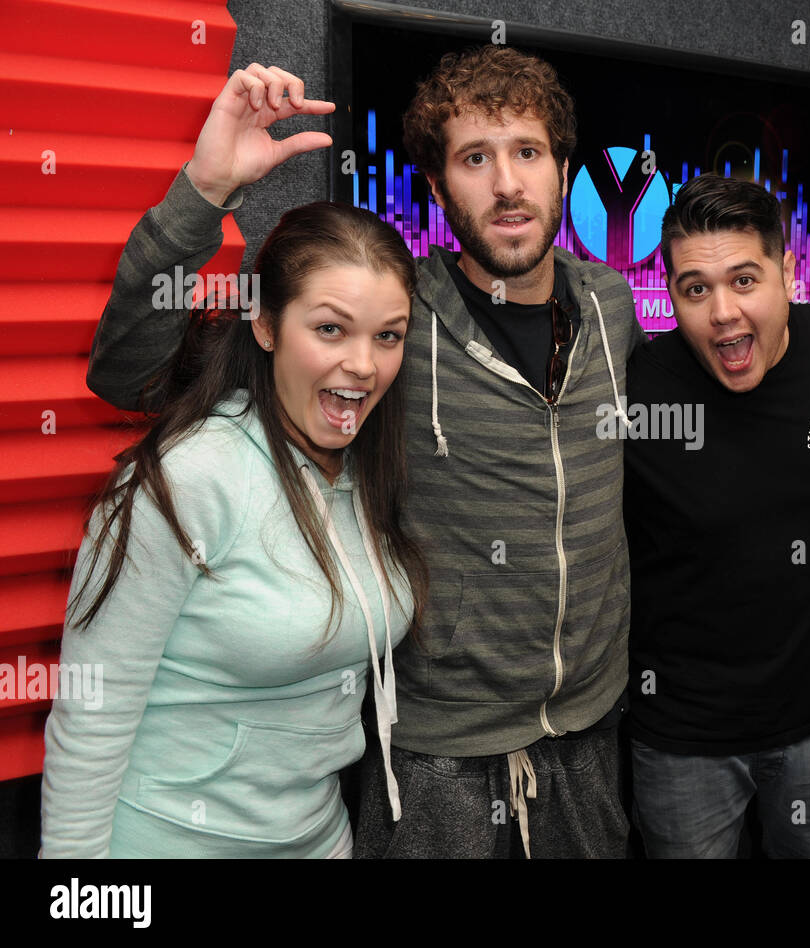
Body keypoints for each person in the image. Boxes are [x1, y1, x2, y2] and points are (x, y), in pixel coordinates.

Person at [82, 49, 640, 859]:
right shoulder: (390, 319)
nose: (508, 184)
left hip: (592, 735)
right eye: (474, 159)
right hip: (438, 753)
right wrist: (204, 193)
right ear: (438, 186)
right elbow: (127, 372)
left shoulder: (611, 306)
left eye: (528, 152)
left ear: (564, 169)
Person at [41, 200, 427, 858]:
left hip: (318, 839)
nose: (365, 364)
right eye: (331, 330)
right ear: (267, 324)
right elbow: (92, 711)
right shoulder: (190, 476)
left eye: (387, 336)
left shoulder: (370, 468)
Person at [621, 174, 810, 857]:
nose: (721, 312)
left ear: (788, 273)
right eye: (695, 288)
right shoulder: (639, 387)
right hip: (682, 731)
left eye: (745, 280)